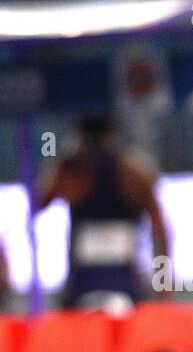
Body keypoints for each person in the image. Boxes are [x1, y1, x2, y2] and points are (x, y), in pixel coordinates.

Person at [36, 115, 170, 308]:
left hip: (86, 282)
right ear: (113, 132)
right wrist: (163, 282)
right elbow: (160, 230)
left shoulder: (71, 171)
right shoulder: (135, 172)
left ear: (78, 134)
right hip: (121, 281)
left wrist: (51, 153)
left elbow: (37, 205)